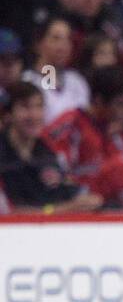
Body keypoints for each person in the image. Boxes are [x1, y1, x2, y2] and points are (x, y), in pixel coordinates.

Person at [0, 80, 101, 213]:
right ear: (8, 114)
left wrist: (85, 200)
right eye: (25, 107)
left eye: (39, 107)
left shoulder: (48, 151)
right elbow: (8, 212)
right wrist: (63, 209)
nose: (34, 115)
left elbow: (68, 189)